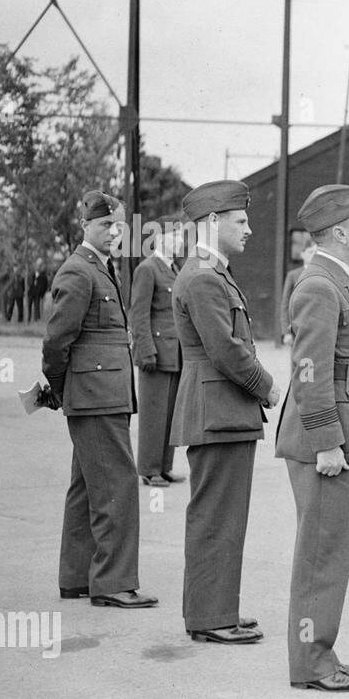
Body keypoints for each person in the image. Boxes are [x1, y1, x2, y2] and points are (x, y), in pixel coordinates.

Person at [276, 184, 349, 691]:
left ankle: (321, 651)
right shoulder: (320, 285)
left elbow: (335, 361)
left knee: (329, 548)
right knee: (321, 552)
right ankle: (312, 664)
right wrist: (325, 442)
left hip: (341, 430)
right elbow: (308, 372)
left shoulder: (339, 280)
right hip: (325, 439)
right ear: (340, 232)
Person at [170, 180, 280, 645]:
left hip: (224, 409)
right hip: (217, 408)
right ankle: (211, 617)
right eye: (241, 221)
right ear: (212, 223)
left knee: (225, 515)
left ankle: (217, 609)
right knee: (216, 515)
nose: (249, 229)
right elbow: (227, 351)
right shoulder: (201, 277)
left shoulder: (212, 273)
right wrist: (267, 387)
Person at [41, 191, 153, 609]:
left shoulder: (103, 270)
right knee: (117, 487)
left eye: (119, 224)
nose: (114, 232)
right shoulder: (79, 271)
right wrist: (58, 385)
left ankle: (76, 577)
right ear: (86, 225)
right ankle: (113, 583)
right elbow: (57, 340)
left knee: (88, 487)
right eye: (106, 225)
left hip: (103, 395)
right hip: (95, 397)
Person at [130, 225, 184, 484]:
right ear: (160, 239)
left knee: (170, 413)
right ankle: (149, 470)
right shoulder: (147, 269)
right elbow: (139, 314)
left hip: (174, 354)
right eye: (175, 236)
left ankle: (164, 466)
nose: (179, 242)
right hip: (156, 354)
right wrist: (146, 351)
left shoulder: (174, 270)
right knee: (153, 414)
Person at [279, 239, 316, 346]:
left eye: (316, 253)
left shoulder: (324, 274)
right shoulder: (293, 275)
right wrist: (286, 332)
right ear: (302, 254)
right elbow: (285, 305)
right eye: (310, 252)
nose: (313, 256)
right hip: (298, 330)